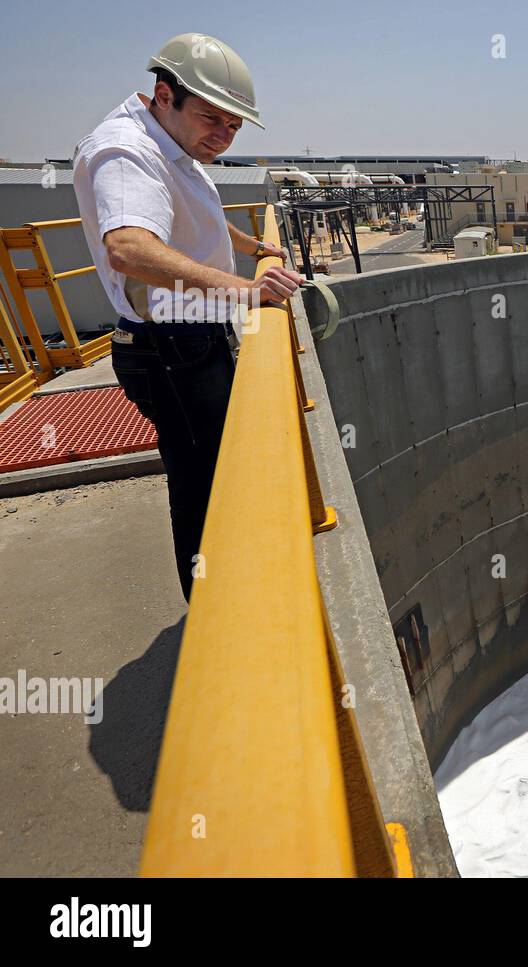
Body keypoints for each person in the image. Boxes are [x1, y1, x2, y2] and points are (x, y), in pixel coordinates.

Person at [72, 34, 304, 600]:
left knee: (219, 471)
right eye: (212, 120)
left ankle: (229, 597)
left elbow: (198, 219)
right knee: (205, 489)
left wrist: (253, 249)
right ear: (163, 93)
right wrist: (246, 290)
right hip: (171, 350)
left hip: (190, 340)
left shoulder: (173, 145)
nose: (222, 137)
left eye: (234, 127)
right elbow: (129, 247)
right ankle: (216, 619)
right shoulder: (126, 151)